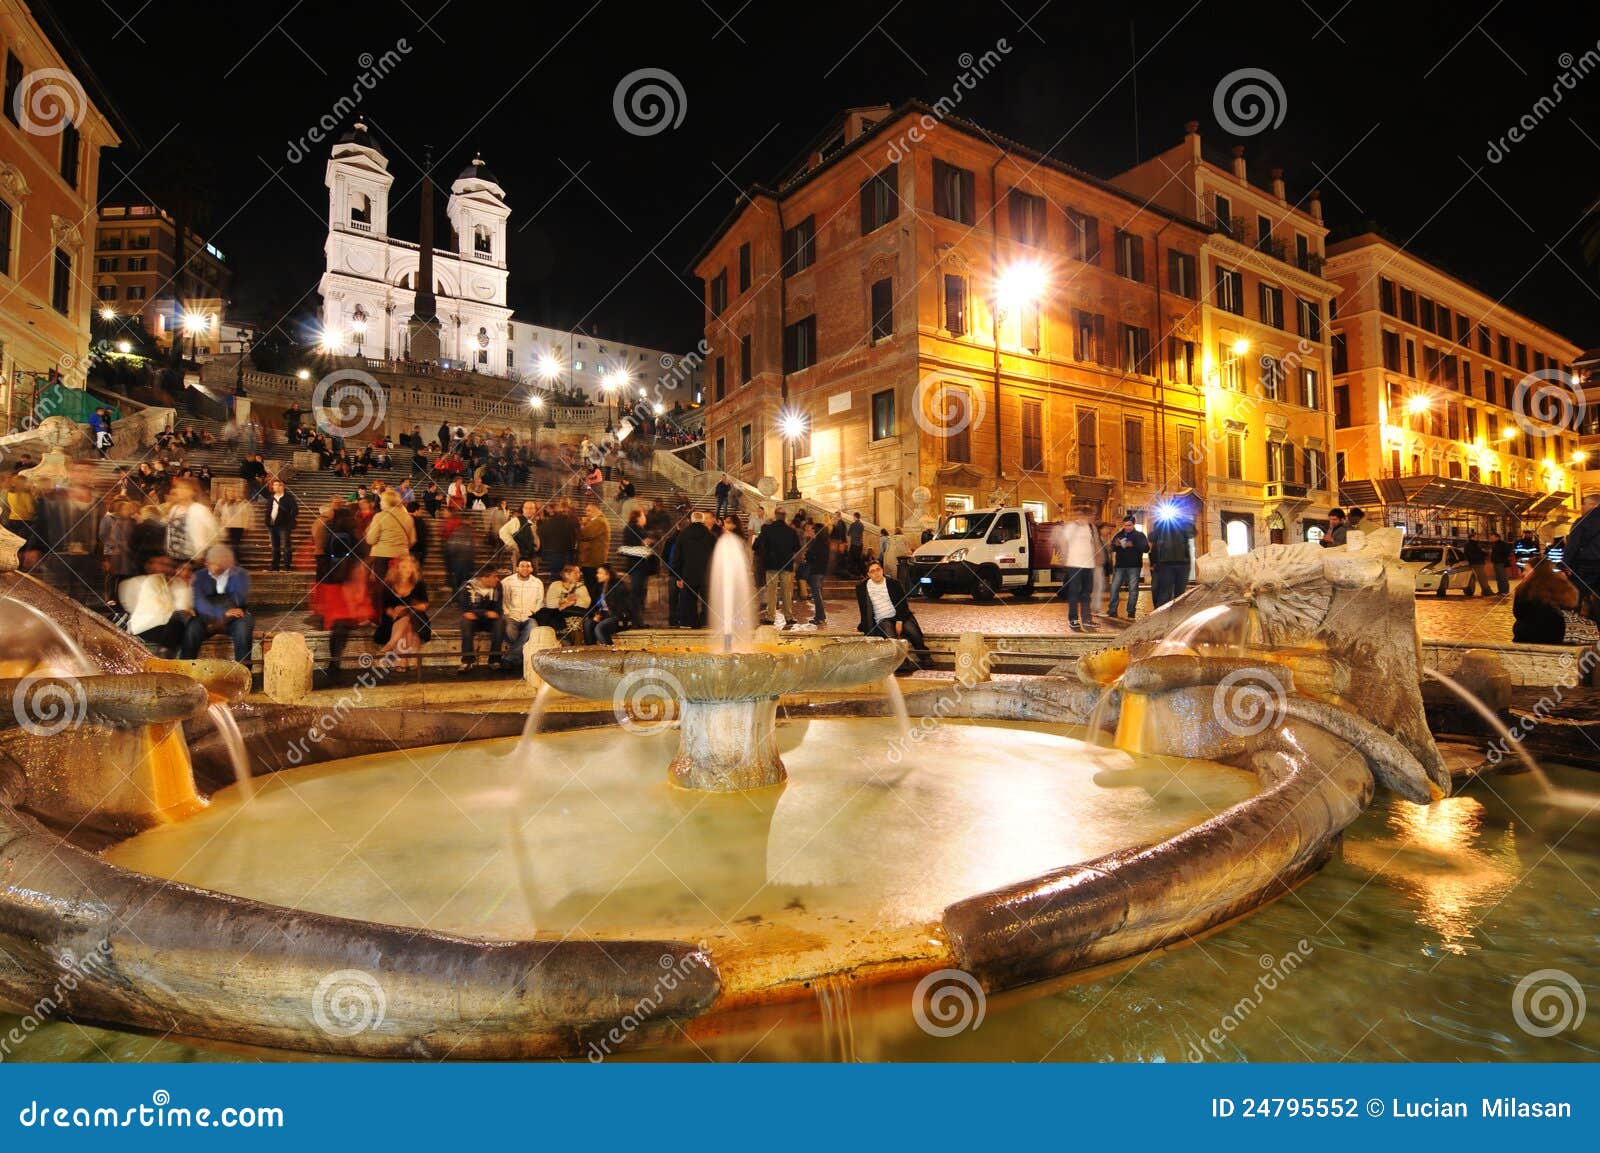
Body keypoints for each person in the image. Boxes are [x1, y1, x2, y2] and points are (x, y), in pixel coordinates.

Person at [183, 545, 254, 664]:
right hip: (208, 616)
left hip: (235, 616)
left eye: (222, 561)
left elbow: (239, 600)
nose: (216, 564)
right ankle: (185, 667)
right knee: (192, 627)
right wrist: (222, 613)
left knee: (244, 627)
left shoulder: (240, 574)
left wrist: (223, 577)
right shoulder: (200, 576)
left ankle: (243, 670)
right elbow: (199, 603)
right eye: (213, 561)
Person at [855, 559, 928, 671]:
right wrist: (865, 627)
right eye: (872, 571)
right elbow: (864, 610)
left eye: (878, 570)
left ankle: (925, 656)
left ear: (882, 570)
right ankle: (901, 663)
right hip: (883, 619)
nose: (876, 573)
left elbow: (903, 604)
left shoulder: (894, 584)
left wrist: (899, 621)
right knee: (891, 636)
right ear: (868, 574)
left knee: (913, 631)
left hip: (900, 615)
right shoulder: (862, 588)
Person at [119, 554, 193, 657]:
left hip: (171, 627)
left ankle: (167, 652)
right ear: (149, 565)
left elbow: (185, 608)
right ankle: (165, 653)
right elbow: (135, 606)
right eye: (163, 564)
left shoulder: (179, 584)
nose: (167, 568)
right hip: (148, 627)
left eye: (170, 565)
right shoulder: (142, 582)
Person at [374, 554, 431, 673]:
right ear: (398, 568)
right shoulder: (389, 584)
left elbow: (424, 605)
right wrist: (396, 613)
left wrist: (408, 607)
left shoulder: (418, 583)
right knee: (406, 622)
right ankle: (410, 659)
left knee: (407, 616)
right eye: (404, 567)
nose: (408, 569)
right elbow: (386, 608)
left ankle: (393, 649)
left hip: (417, 619)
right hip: (392, 620)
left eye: (411, 566)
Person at [1512, 557, 1582, 644]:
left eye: (1526, 570)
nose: (1523, 573)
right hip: (1558, 633)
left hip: (1529, 634)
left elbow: (1518, 613)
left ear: (1536, 571)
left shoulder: (1526, 589)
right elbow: (1570, 605)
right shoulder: (1561, 585)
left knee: (1519, 626)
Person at [1052, 507, 1099, 631]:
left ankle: (1087, 619)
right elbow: (1063, 541)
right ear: (1084, 515)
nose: (1092, 518)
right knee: (1074, 592)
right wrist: (1065, 556)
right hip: (1075, 564)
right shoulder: (1072, 526)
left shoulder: (1090, 527)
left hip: (1088, 565)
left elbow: (1091, 544)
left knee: (1086, 593)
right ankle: (1073, 618)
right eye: (1091, 515)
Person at [755, 508, 800, 627]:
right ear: (785, 516)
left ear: (775, 515)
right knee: (787, 591)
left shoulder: (767, 529)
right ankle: (789, 617)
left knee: (772, 591)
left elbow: (757, 546)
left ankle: (770, 617)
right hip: (786, 565)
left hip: (771, 565)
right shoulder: (791, 531)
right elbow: (796, 548)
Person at [500, 558, 545, 671]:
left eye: (528, 566)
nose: (525, 568)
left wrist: (534, 613)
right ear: (517, 568)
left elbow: (540, 602)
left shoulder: (537, 583)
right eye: (522, 565)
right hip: (512, 615)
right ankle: (518, 658)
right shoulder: (507, 581)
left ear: (531, 569)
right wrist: (507, 613)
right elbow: (503, 600)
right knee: (509, 628)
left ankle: (510, 657)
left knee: (533, 628)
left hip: (529, 616)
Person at [672, 510, 716, 628]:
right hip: (707, 574)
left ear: (691, 520)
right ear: (702, 520)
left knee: (689, 600)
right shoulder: (710, 535)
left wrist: (677, 575)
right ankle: (706, 622)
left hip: (688, 573)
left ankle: (689, 622)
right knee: (707, 599)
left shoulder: (683, 535)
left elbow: (677, 556)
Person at [457, 568, 504, 671]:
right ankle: (467, 660)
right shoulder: (467, 586)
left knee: (500, 623)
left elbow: (497, 609)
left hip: (489, 620)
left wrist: (478, 612)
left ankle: (494, 659)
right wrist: (485, 612)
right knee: (465, 623)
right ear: (484, 578)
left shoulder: (498, 586)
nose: (497, 579)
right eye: (494, 577)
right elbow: (465, 609)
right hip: (473, 620)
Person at [1148, 507, 1192, 609]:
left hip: (1183, 563)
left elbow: (1192, 533)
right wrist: (1162, 523)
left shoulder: (1183, 524)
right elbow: (1151, 537)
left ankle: (1177, 617)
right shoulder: (1162, 524)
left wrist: (1182, 520)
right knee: (1165, 592)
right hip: (1166, 564)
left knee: (1180, 593)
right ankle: (1160, 616)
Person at [1107, 514, 1149, 620]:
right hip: (1120, 566)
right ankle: (1112, 610)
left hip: (1134, 566)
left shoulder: (1140, 535)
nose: (1127, 527)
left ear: (1133, 525)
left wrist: (1133, 544)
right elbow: (1111, 548)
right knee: (1114, 588)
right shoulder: (1119, 535)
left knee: (1133, 589)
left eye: (1129, 525)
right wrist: (1114, 545)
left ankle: (1131, 612)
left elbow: (1146, 549)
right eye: (1125, 525)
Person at [583, 563, 634, 645]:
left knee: (599, 628)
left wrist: (608, 615)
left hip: (618, 618)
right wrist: (596, 614)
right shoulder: (598, 587)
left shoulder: (619, 586)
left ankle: (610, 652)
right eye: (597, 573)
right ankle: (592, 651)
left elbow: (624, 607)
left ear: (608, 574)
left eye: (600, 573)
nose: (597, 575)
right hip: (604, 616)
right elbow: (594, 605)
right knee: (588, 624)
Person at [1563, 492, 1600, 602]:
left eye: (1584, 504)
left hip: (1585, 566)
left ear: (1593, 505)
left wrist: (1564, 564)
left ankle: (1577, 617)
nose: (1582, 507)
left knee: (1578, 595)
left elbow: (1572, 545)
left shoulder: (1582, 521)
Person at [538, 563, 592, 635]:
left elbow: (586, 603)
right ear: (567, 574)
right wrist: (565, 601)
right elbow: (550, 603)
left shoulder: (581, 587)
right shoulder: (555, 585)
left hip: (574, 615)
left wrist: (572, 603)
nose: (579, 575)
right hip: (557, 616)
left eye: (579, 573)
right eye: (575, 573)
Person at [800, 520, 831, 629]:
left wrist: (807, 555)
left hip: (815, 572)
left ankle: (820, 617)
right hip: (821, 571)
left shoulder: (817, 543)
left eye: (813, 529)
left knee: (816, 595)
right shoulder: (825, 542)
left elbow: (812, 557)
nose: (812, 531)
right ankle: (819, 616)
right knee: (817, 595)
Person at [576, 503, 610, 599]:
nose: (586, 513)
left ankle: (594, 610)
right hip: (590, 561)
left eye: (589, 510)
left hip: (592, 562)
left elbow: (584, 534)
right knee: (592, 588)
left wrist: (582, 525)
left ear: (597, 510)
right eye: (586, 510)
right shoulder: (595, 521)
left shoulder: (599, 521)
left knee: (592, 589)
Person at [263, 478, 298, 571]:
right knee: (275, 547)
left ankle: (287, 565)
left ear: (283, 487)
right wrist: (267, 521)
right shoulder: (271, 498)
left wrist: (288, 521)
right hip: (272, 525)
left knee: (286, 546)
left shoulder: (288, 498)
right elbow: (268, 510)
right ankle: (275, 565)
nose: (277, 487)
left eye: (279, 485)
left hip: (284, 526)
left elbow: (295, 510)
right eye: (275, 485)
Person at [498, 499, 541, 565]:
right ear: (522, 509)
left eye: (531, 508)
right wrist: (514, 546)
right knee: (519, 574)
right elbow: (503, 532)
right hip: (520, 554)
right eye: (526, 508)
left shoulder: (537, 522)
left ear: (535, 510)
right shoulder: (517, 520)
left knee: (533, 573)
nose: (529, 510)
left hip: (533, 554)